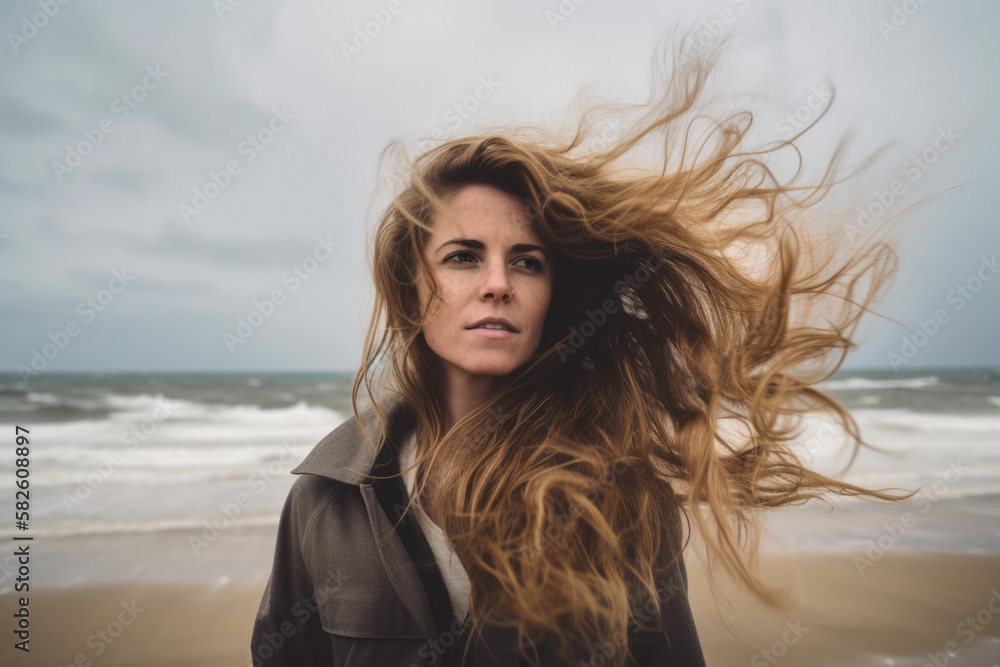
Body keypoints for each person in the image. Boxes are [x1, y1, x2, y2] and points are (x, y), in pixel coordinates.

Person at [250, 34, 911, 667]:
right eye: (462, 257)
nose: (498, 284)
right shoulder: (325, 500)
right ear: (411, 287)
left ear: (552, 295)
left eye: (528, 262)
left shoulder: (619, 496)